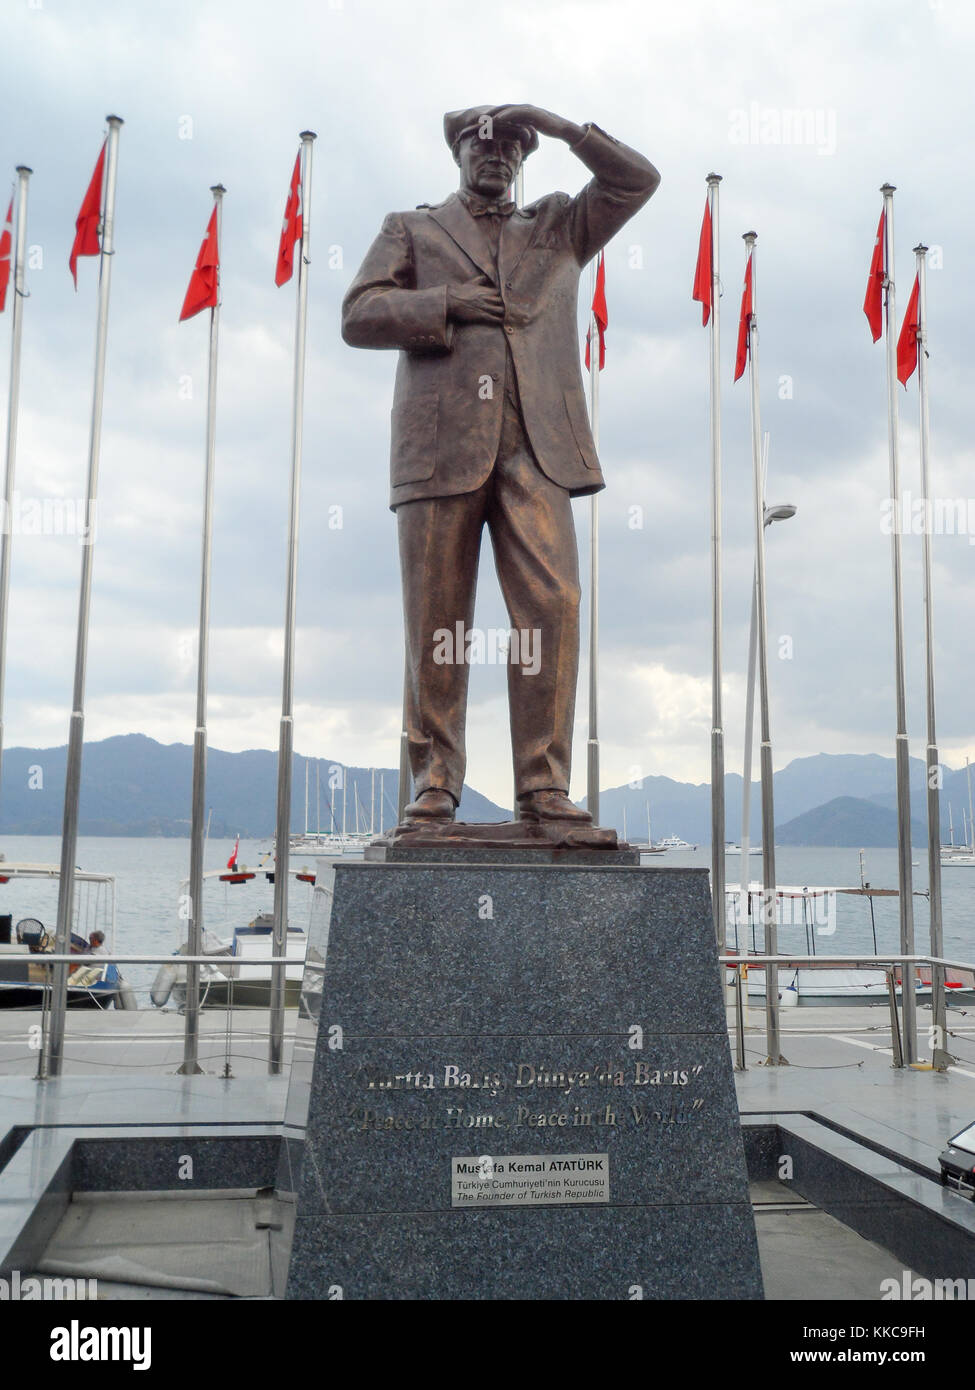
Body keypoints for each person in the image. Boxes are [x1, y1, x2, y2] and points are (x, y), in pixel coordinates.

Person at [342, 104, 659, 827]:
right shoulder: (412, 229)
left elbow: (637, 181)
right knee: (436, 619)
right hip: (438, 447)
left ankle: (542, 786)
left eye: (514, 148)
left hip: (536, 448)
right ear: (457, 153)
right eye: (482, 146)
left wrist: (561, 126)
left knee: (552, 609)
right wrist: (447, 302)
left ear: (526, 158)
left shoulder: (557, 227)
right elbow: (358, 314)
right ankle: (435, 781)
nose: (498, 157)